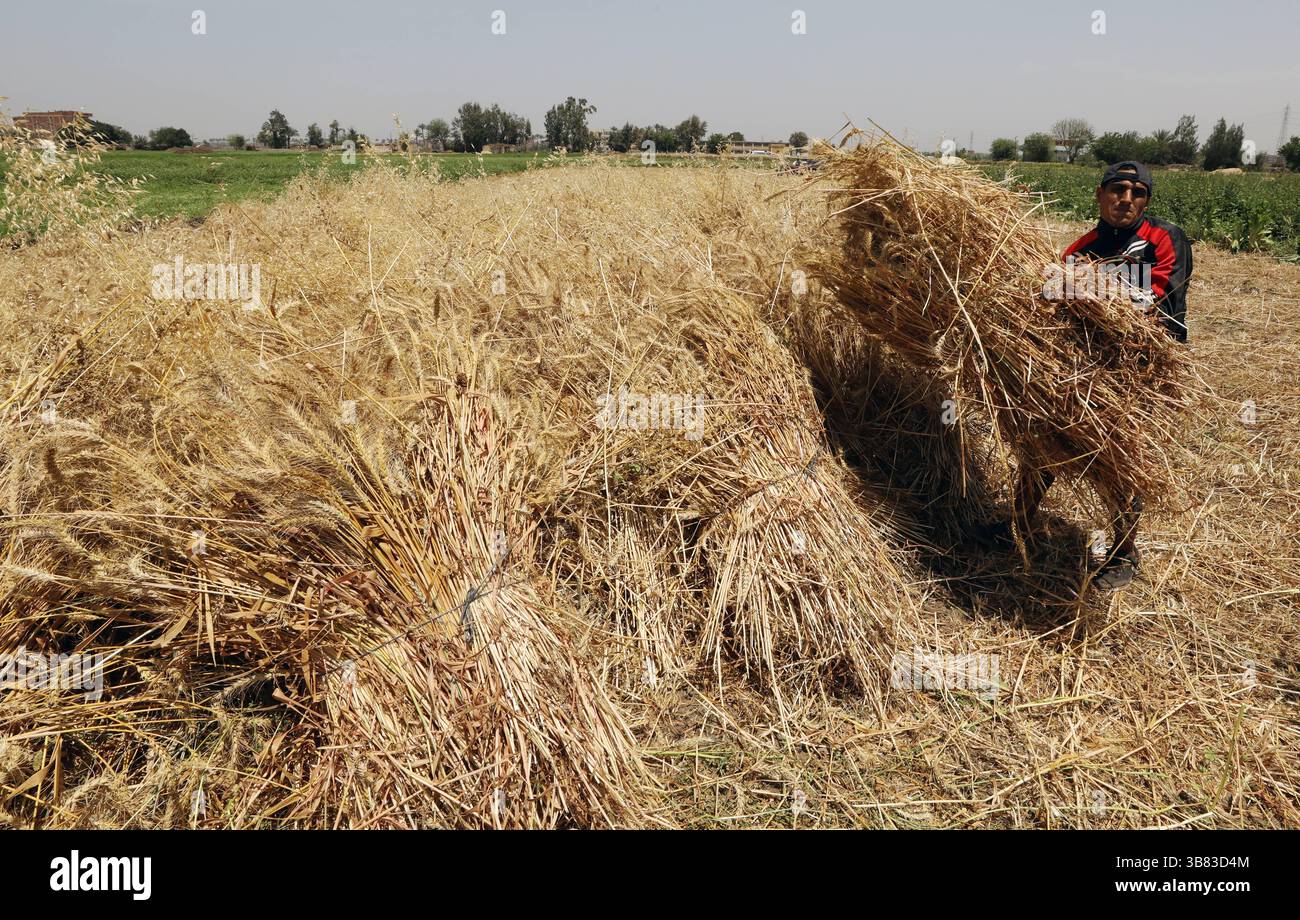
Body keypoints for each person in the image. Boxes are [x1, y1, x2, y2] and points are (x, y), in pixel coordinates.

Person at [1002, 161, 1193, 590]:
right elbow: (1052, 295)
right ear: (1100, 193)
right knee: (1045, 440)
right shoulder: (1081, 248)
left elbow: (1153, 298)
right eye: (1118, 189)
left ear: (1145, 200)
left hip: (1143, 369)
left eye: (1137, 192)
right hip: (1085, 367)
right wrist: (1075, 291)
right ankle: (1016, 523)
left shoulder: (1163, 238)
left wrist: (1085, 290)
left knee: (1121, 458)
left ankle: (1124, 552)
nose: (1127, 199)